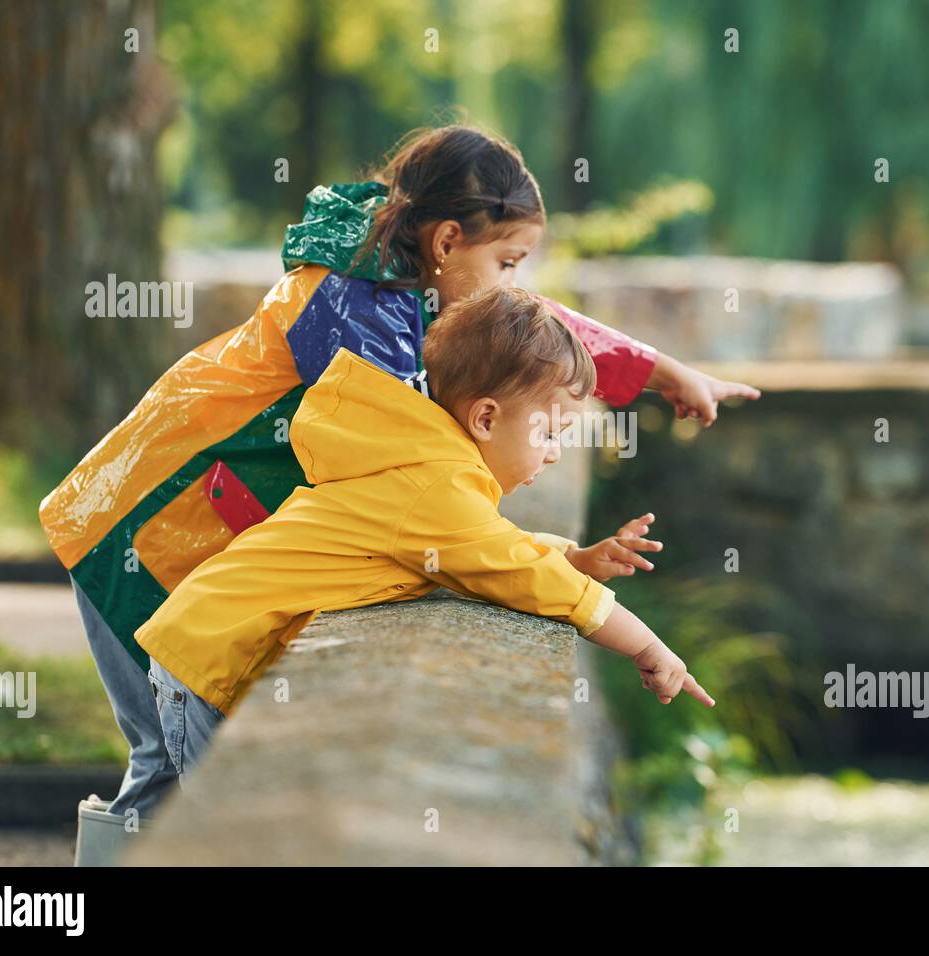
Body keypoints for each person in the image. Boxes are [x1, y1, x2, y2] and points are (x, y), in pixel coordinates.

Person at [39, 123, 757, 821]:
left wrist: (663, 372)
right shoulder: (352, 309)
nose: (515, 282)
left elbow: (521, 334)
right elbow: (464, 465)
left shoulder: (408, 283)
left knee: (174, 759)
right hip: (136, 525)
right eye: (508, 261)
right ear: (448, 241)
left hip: (191, 527)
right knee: (163, 771)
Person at [136, 288, 714, 778]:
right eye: (550, 431)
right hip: (208, 659)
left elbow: (490, 546)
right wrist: (646, 645)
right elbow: (520, 573)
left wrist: (575, 555)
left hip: (206, 635)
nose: (558, 454)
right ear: (485, 418)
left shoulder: (424, 460)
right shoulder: (434, 486)